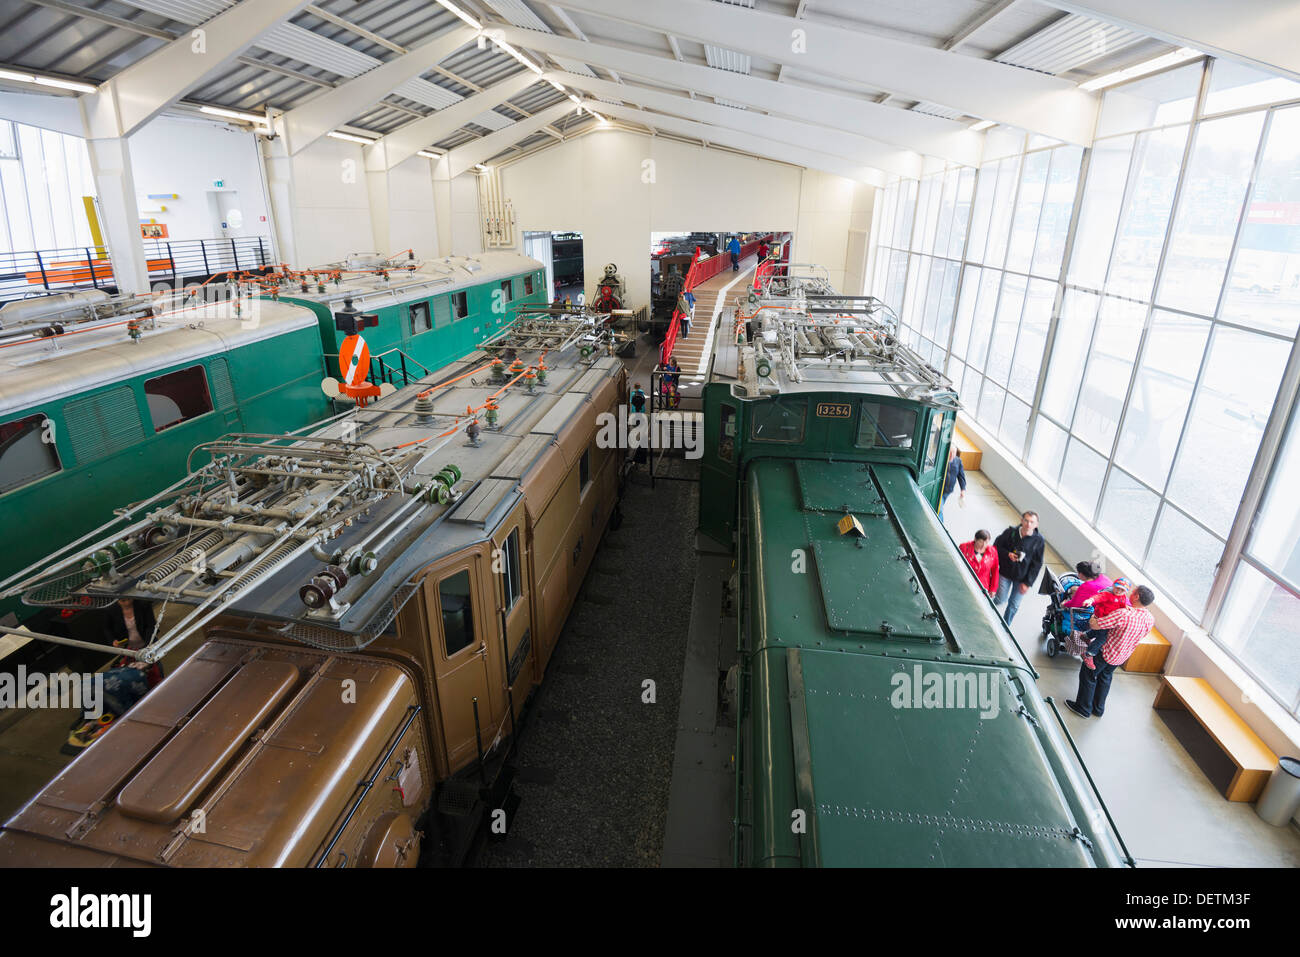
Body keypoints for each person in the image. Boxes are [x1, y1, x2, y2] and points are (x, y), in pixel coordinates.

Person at [1067, 585, 1156, 719]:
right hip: (1122, 655)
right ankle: (1098, 708)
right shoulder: (1150, 618)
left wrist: (1095, 615)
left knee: (1088, 675)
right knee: (1105, 677)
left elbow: (1095, 625)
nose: (1129, 595)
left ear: (1137, 597)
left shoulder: (1123, 614)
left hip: (1105, 652)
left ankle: (1083, 708)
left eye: (1132, 593)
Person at [993, 511, 1044, 624]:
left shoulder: (1039, 540)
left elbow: (1037, 563)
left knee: (1014, 605)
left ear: (1036, 524)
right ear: (1021, 521)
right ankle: (986, 610)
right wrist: (1008, 554)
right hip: (1005, 573)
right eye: (1026, 520)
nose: (1028, 524)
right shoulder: (1011, 532)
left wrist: (1028, 583)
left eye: (1032, 522)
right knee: (1000, 598)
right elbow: (996, 546)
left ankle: (1005, 627)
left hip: (1022, 578)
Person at [959, 530, 999, 596]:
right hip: (964, 583)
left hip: (981, 588)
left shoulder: (992, 552)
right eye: (981, 542)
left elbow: (995, 571)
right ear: (975, 539)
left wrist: (993, 589)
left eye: (986, 542)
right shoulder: (964, 547)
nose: (983, 545)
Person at [942, 445, 966, 513]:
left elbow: (961, 476)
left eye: (954, 452)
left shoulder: (958, 461)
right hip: (940, 489)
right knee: (939, 509)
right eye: (950, 452)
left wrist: (963, 489)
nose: (952, 455)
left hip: (948, 491)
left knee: (939, 506)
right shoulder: (941, 459)